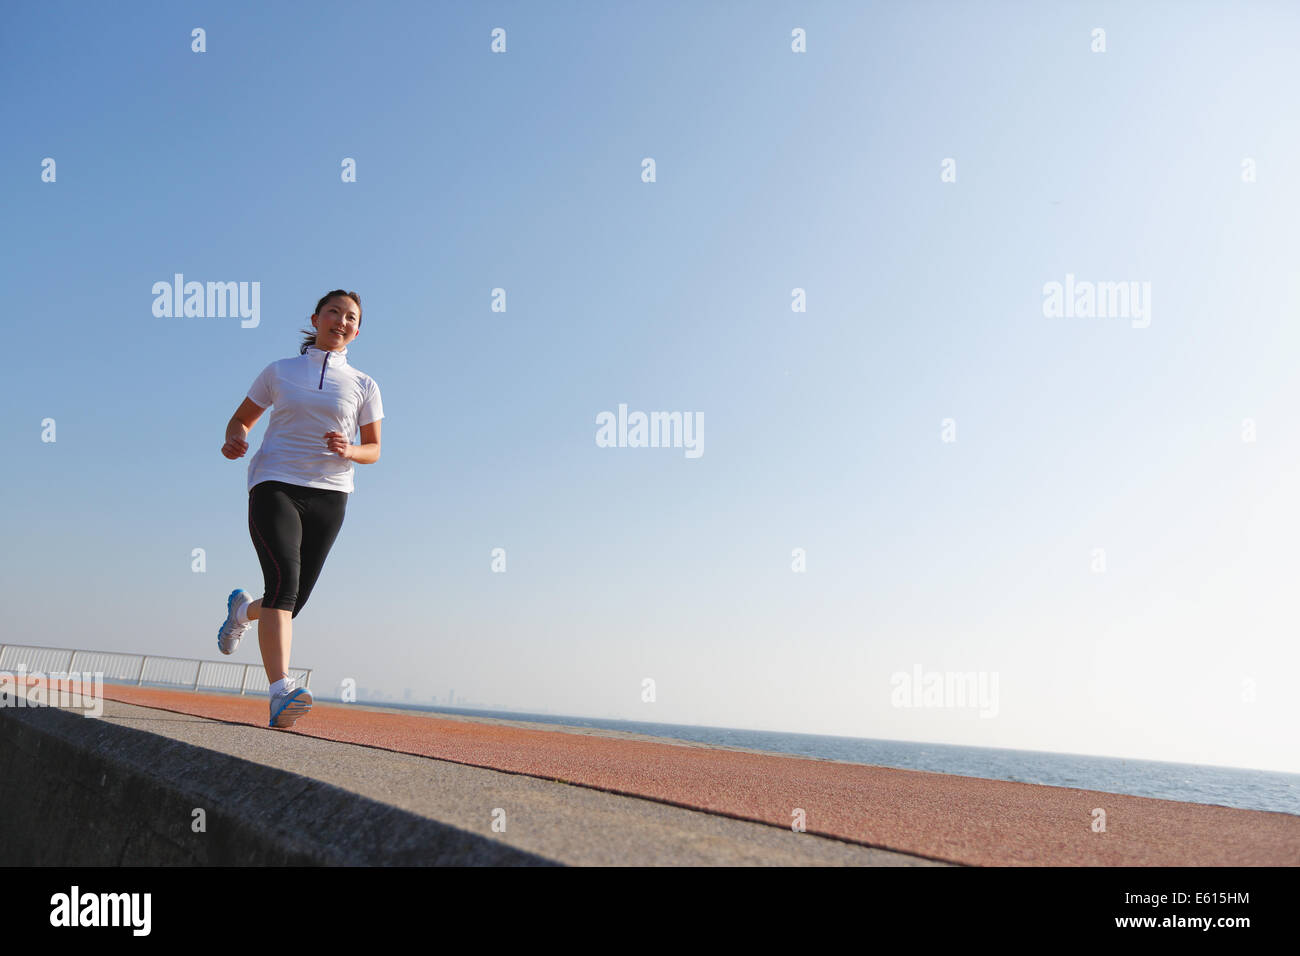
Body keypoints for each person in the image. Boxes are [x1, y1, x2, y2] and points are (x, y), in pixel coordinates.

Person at [216, 290, 383, 728]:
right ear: (316, 318)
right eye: (334, 312)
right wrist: (235, 439)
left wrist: (350, 449)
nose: (341, 321)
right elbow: (242, 419)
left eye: (351, 317)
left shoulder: (365, 384)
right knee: (284, 582)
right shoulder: (279, 371)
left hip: (331, 494)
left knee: (290, 601)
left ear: (357, 330)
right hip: (275, 484)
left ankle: (241, 612)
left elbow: (375, 450)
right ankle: (280, 691)